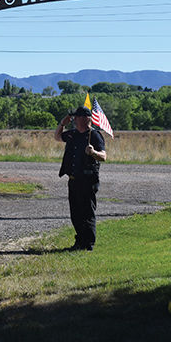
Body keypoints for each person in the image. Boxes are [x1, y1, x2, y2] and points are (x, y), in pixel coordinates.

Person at [54, 105, 107, 250]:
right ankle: (80, 241)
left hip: (88, 180)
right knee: (75, 213)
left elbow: (104, 156)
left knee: (87, 212)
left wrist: (93, 152)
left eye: (76, 117)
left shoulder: (94, 135)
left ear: (85, 119)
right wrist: (62, 123)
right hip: (73, 179)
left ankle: (88, 243)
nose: (74, 120)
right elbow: (57, 137)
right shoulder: (72, 134)